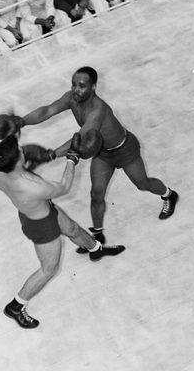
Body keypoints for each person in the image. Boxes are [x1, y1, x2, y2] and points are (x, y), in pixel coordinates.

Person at [15, 67, 179, 250]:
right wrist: (20, 121)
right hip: (103, 153)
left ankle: (169, 195)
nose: (76, 89)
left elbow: (81, 138)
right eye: (74, 84)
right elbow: (47, 111)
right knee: (96, 195)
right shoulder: (71, 98)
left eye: (82, 86)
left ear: (93, 87)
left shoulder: (98, 110)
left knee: (143, 184)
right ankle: (97, 235)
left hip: (125, 150)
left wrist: (50, 154)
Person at [0, 135, 125, 329]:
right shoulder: (32, 187)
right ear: (18, 162)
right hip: (42, 226)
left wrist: (36, 160)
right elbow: (63, 187)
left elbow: (19, 165)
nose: (23, 149)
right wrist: (72, 159)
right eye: (21, 151)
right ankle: (16, 306)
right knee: (49, 269)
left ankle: (95, 249)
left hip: (38, 209)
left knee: (71, 228)